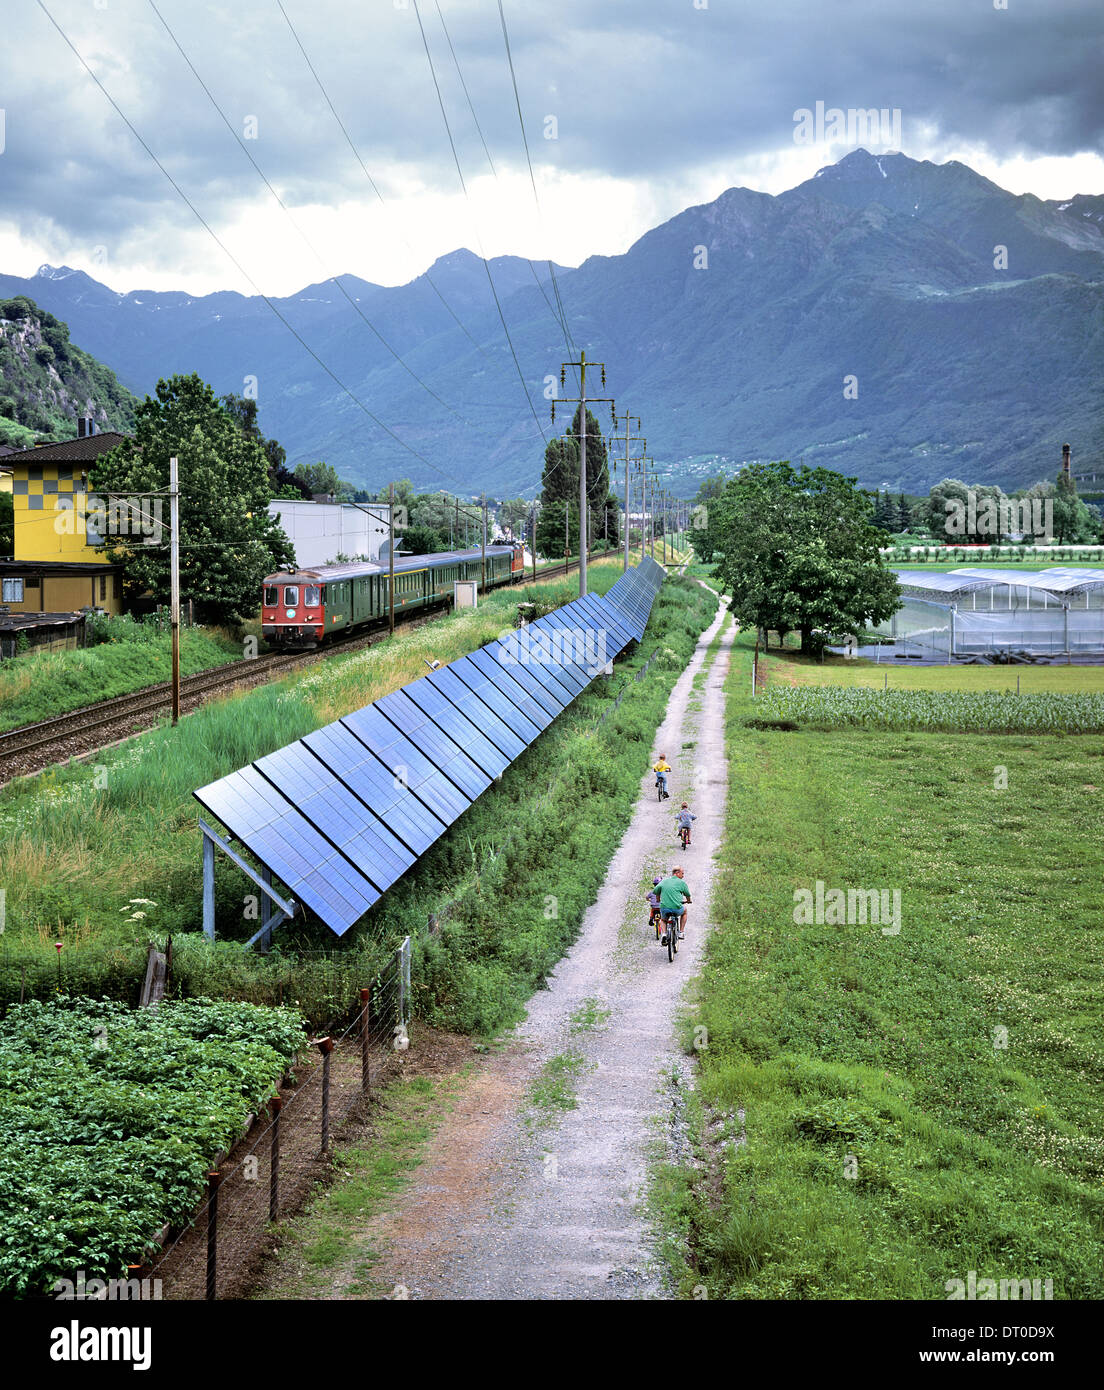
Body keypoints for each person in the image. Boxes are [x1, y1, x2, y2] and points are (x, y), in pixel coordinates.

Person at [657, 866, 691, 941]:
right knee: (685, 911)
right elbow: (688, 895)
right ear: (677, 873)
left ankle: (664, 934)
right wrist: (688, 901)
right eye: (682, 873)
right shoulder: (682, 883)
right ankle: (681, 932)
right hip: (677, 909)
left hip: (665, 908)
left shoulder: (664, 881)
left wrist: (658, 899)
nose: (683, 875)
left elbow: (656, 891)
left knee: (663, 920)